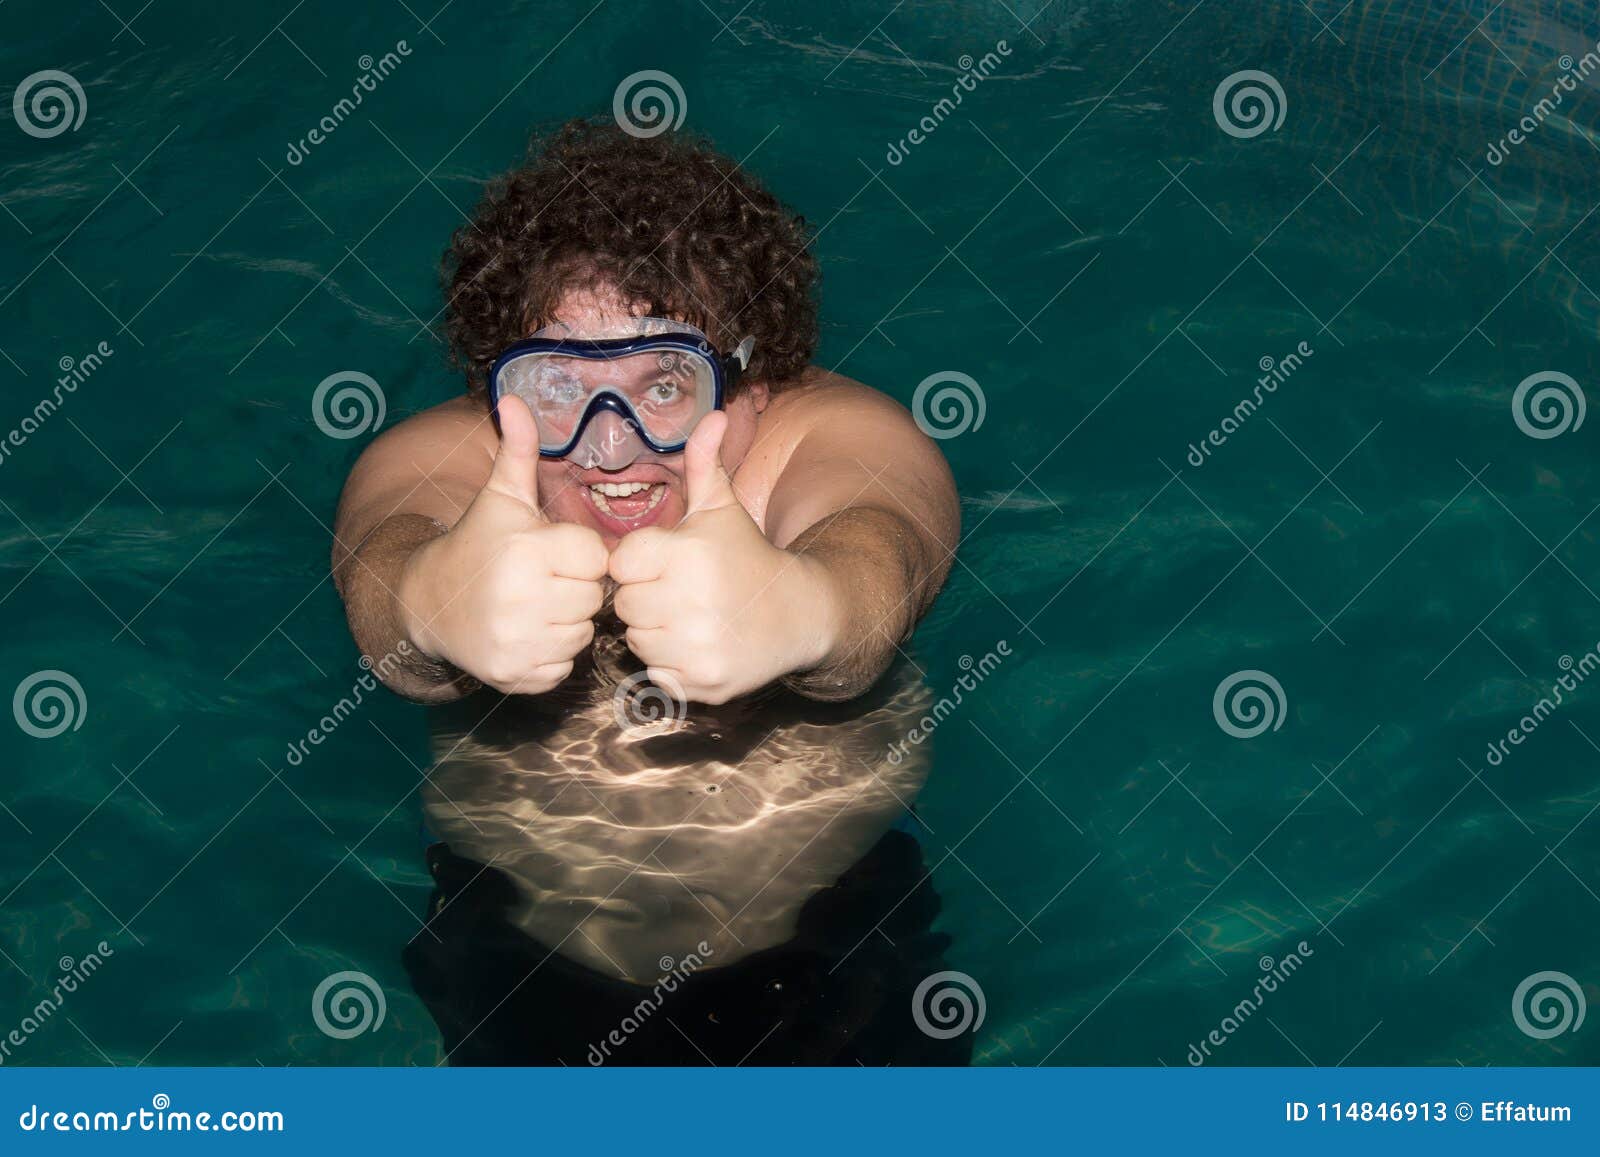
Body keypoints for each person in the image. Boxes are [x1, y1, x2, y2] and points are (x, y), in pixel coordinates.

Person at [331, 118, 963, 1064]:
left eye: (668, 381)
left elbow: (881, 545)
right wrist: (426, 602)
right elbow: (385, 566)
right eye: (559, 383)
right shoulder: (459, 457)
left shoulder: (831, 437)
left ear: (757, 383)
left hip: (835, 935)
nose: (609, 445)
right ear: (495, 384)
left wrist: (807, 610)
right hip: (519, 941)